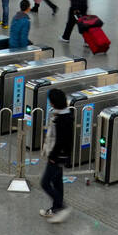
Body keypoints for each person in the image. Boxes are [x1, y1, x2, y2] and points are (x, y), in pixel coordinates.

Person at [39, 87, 73, 222]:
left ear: (54, 103)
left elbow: (61, 140)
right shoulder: (62, 114)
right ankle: (56, 209)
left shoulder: (63, 119)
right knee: (57, 181)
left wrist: (53, 157)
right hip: (58, 155)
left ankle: (62, 206)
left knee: (45, 183)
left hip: (57, 156)